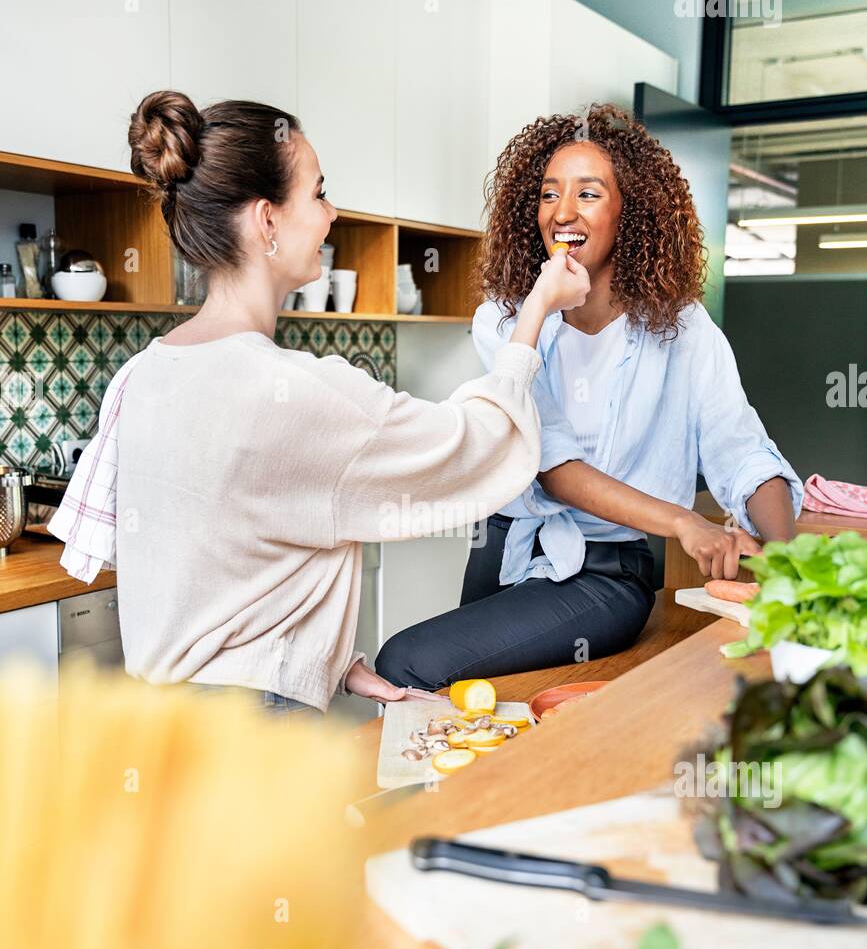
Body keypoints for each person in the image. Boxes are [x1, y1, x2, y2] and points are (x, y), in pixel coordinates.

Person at [72, 90, 590, 713]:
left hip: (165, 730)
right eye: (318, 193)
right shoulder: (295, 392)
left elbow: (215, 572)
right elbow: (477, 445)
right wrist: (535, 310)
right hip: (252, 734)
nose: (331, 212)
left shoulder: (143, 376)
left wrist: (331, 663)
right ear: (267, 220)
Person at [375, 105, 801, 692]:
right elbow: (553, 468)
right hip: (503, 554)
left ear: (633, 212)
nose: (563, 213)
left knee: (406, 664)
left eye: (589, 194)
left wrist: (786, 565)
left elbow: (744, 453)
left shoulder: (685, 330)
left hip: (603, 577)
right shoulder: (506, 320)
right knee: (470, 708)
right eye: (549, 195)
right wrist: (684, 523)